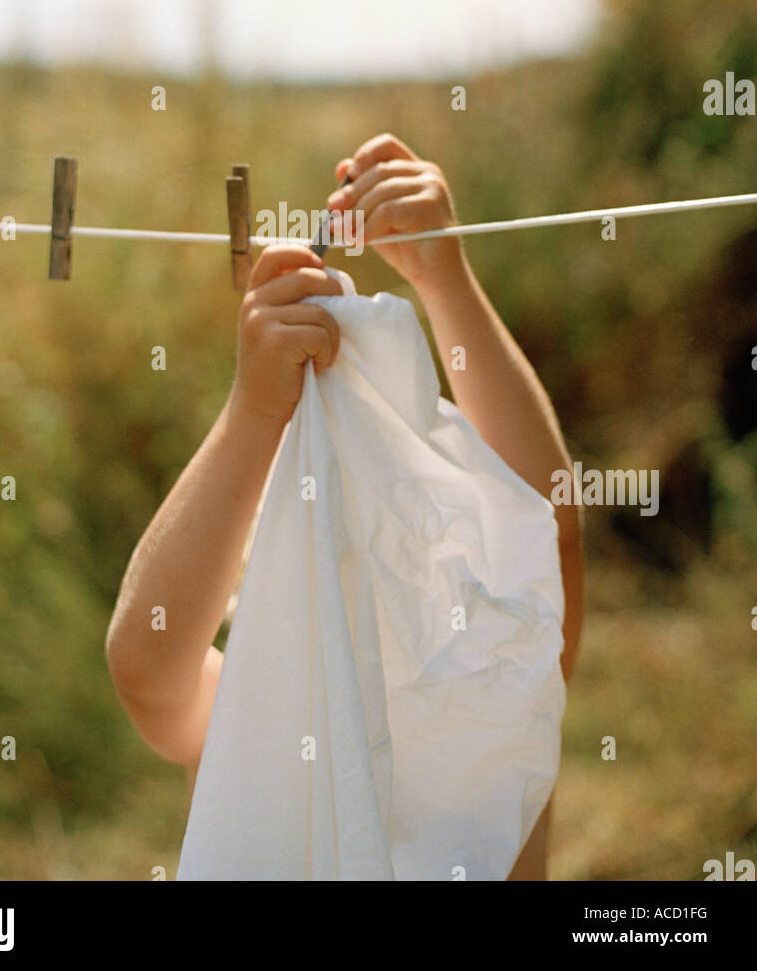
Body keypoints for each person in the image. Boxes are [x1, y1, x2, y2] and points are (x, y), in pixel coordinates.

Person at [105, 132, 584, 880]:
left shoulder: (495, 703)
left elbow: (544, 538)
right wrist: (252, 415)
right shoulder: (276, 702)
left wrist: (445, 278)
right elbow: (149, 669)